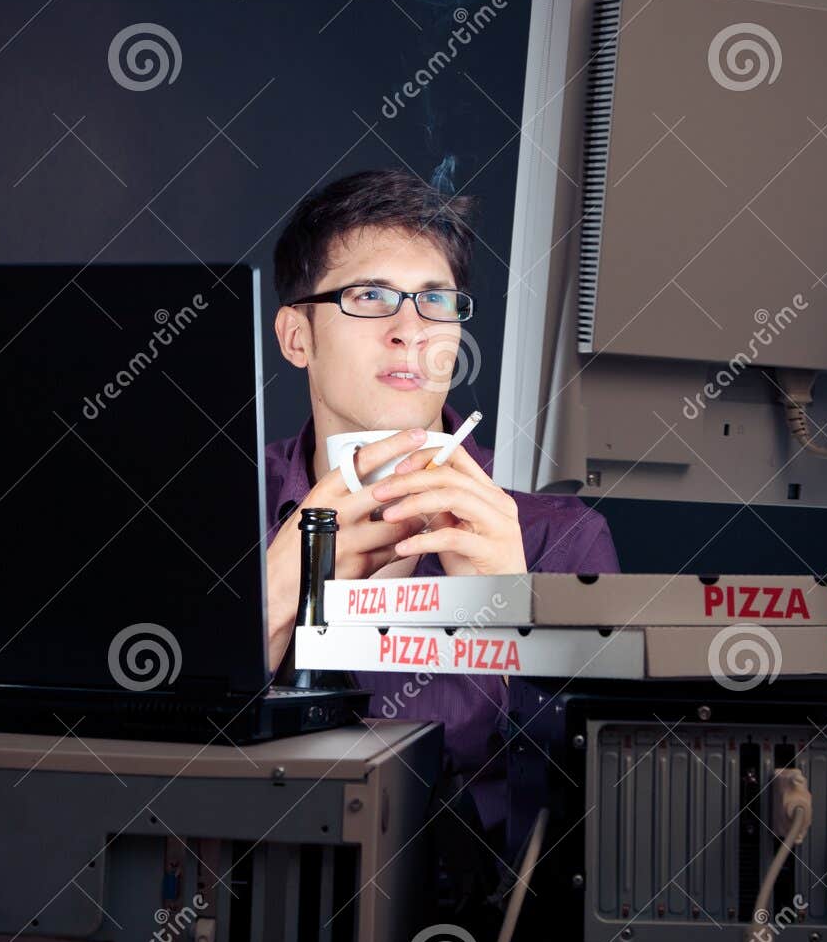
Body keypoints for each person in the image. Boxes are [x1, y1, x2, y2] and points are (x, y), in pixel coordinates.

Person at [263, 168, 618, 830]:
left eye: (435, 300)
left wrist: (520, 630)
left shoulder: (557, 542)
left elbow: (603, 832)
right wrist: (271, 600)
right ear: (296, 337)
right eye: (370, 296)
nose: (410, 330)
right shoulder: (209, 515)